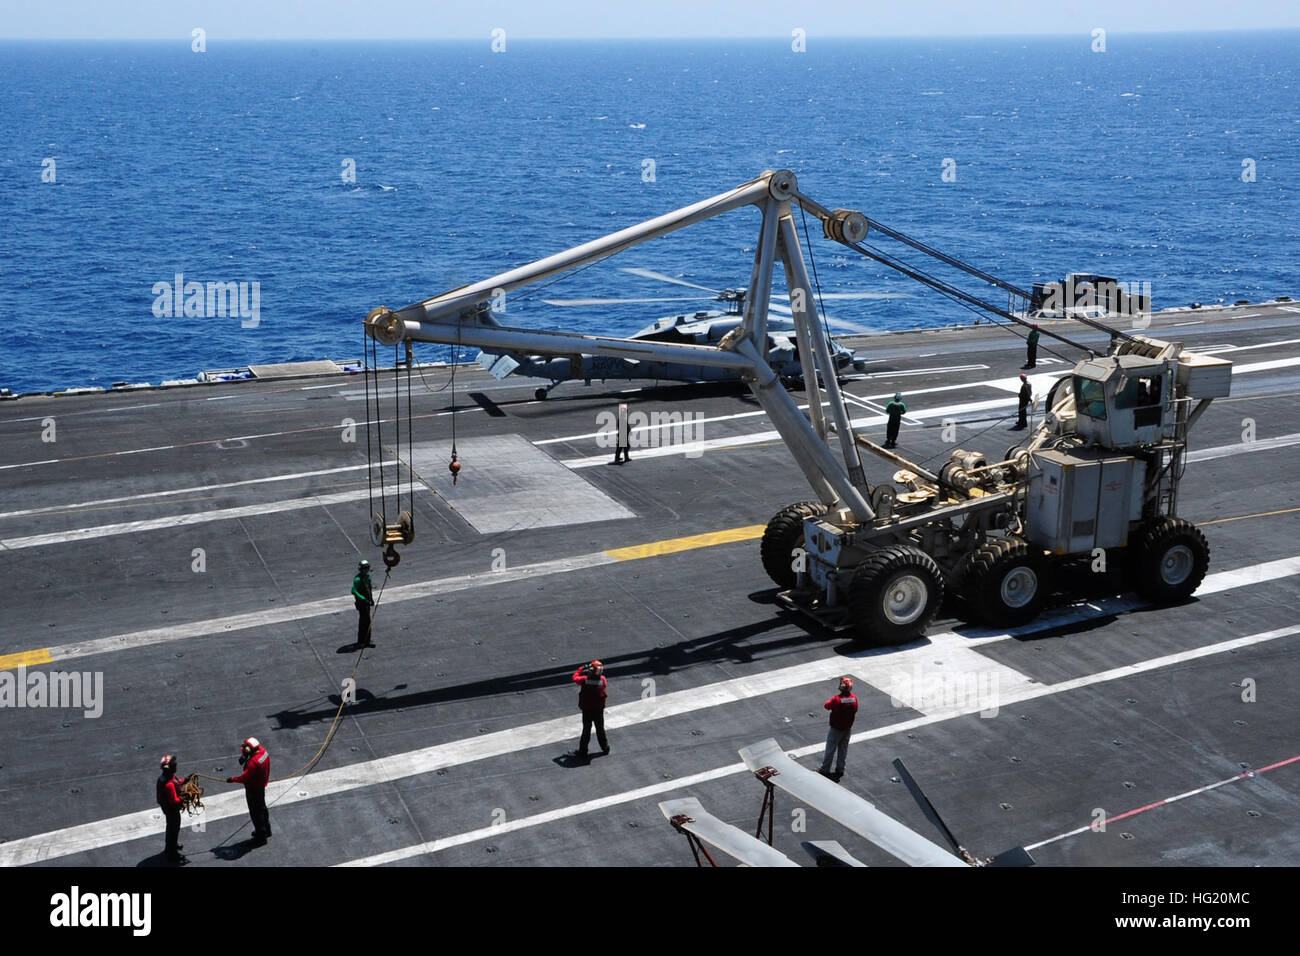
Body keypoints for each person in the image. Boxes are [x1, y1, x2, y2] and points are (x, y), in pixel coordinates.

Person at [227, 737, 272, 845]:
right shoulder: (263, 752)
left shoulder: (253, 763)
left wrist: (233, 779)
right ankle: (267, 830)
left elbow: (244, 778)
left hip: (253, 789)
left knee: (256, 813)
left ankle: (260, 837)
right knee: (262, 808)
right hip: (261, 785)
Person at [156, 753, 194, 862]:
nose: (176, 766)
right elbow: (174, 800)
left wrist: (185, 780)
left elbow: (176, 783)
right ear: (170, 768)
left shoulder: (167, 777)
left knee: (171, 828)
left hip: (168, 809)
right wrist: (185, 797)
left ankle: (171, 845)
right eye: (174, 765)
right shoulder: (168, 784)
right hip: (172, 810)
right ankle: (172, 853)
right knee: (174, 829)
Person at [819, 678, 858, 782]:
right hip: (847, 729)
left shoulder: (837, 699)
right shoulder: (854, 698)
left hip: (836, 729)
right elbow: (855, 709)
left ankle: (825, 770)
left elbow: (826, 705)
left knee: (830, 750)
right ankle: (840, 769)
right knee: (843, 750)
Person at [571, 660, 609, 759]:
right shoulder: (603, 680)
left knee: (586, 730)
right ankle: (605, 747)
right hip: (599, 709)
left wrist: (580, 669)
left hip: (587, 709)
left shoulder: (584, 679)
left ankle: (583, 752)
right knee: (600, 728)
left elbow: (575, 678)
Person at [352, 559, 375, 648]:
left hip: (367, 602)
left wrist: (371, 599)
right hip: (361, 603)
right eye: (365, 568)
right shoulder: (357, 579)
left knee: (368, 622)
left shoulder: (367, 577)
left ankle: (367, 640)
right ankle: (361, 641)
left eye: (367, 567)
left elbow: (369, 589)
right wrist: (362, 598)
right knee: (363, 622)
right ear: (361, 569)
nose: (366, 569)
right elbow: (354, 591)